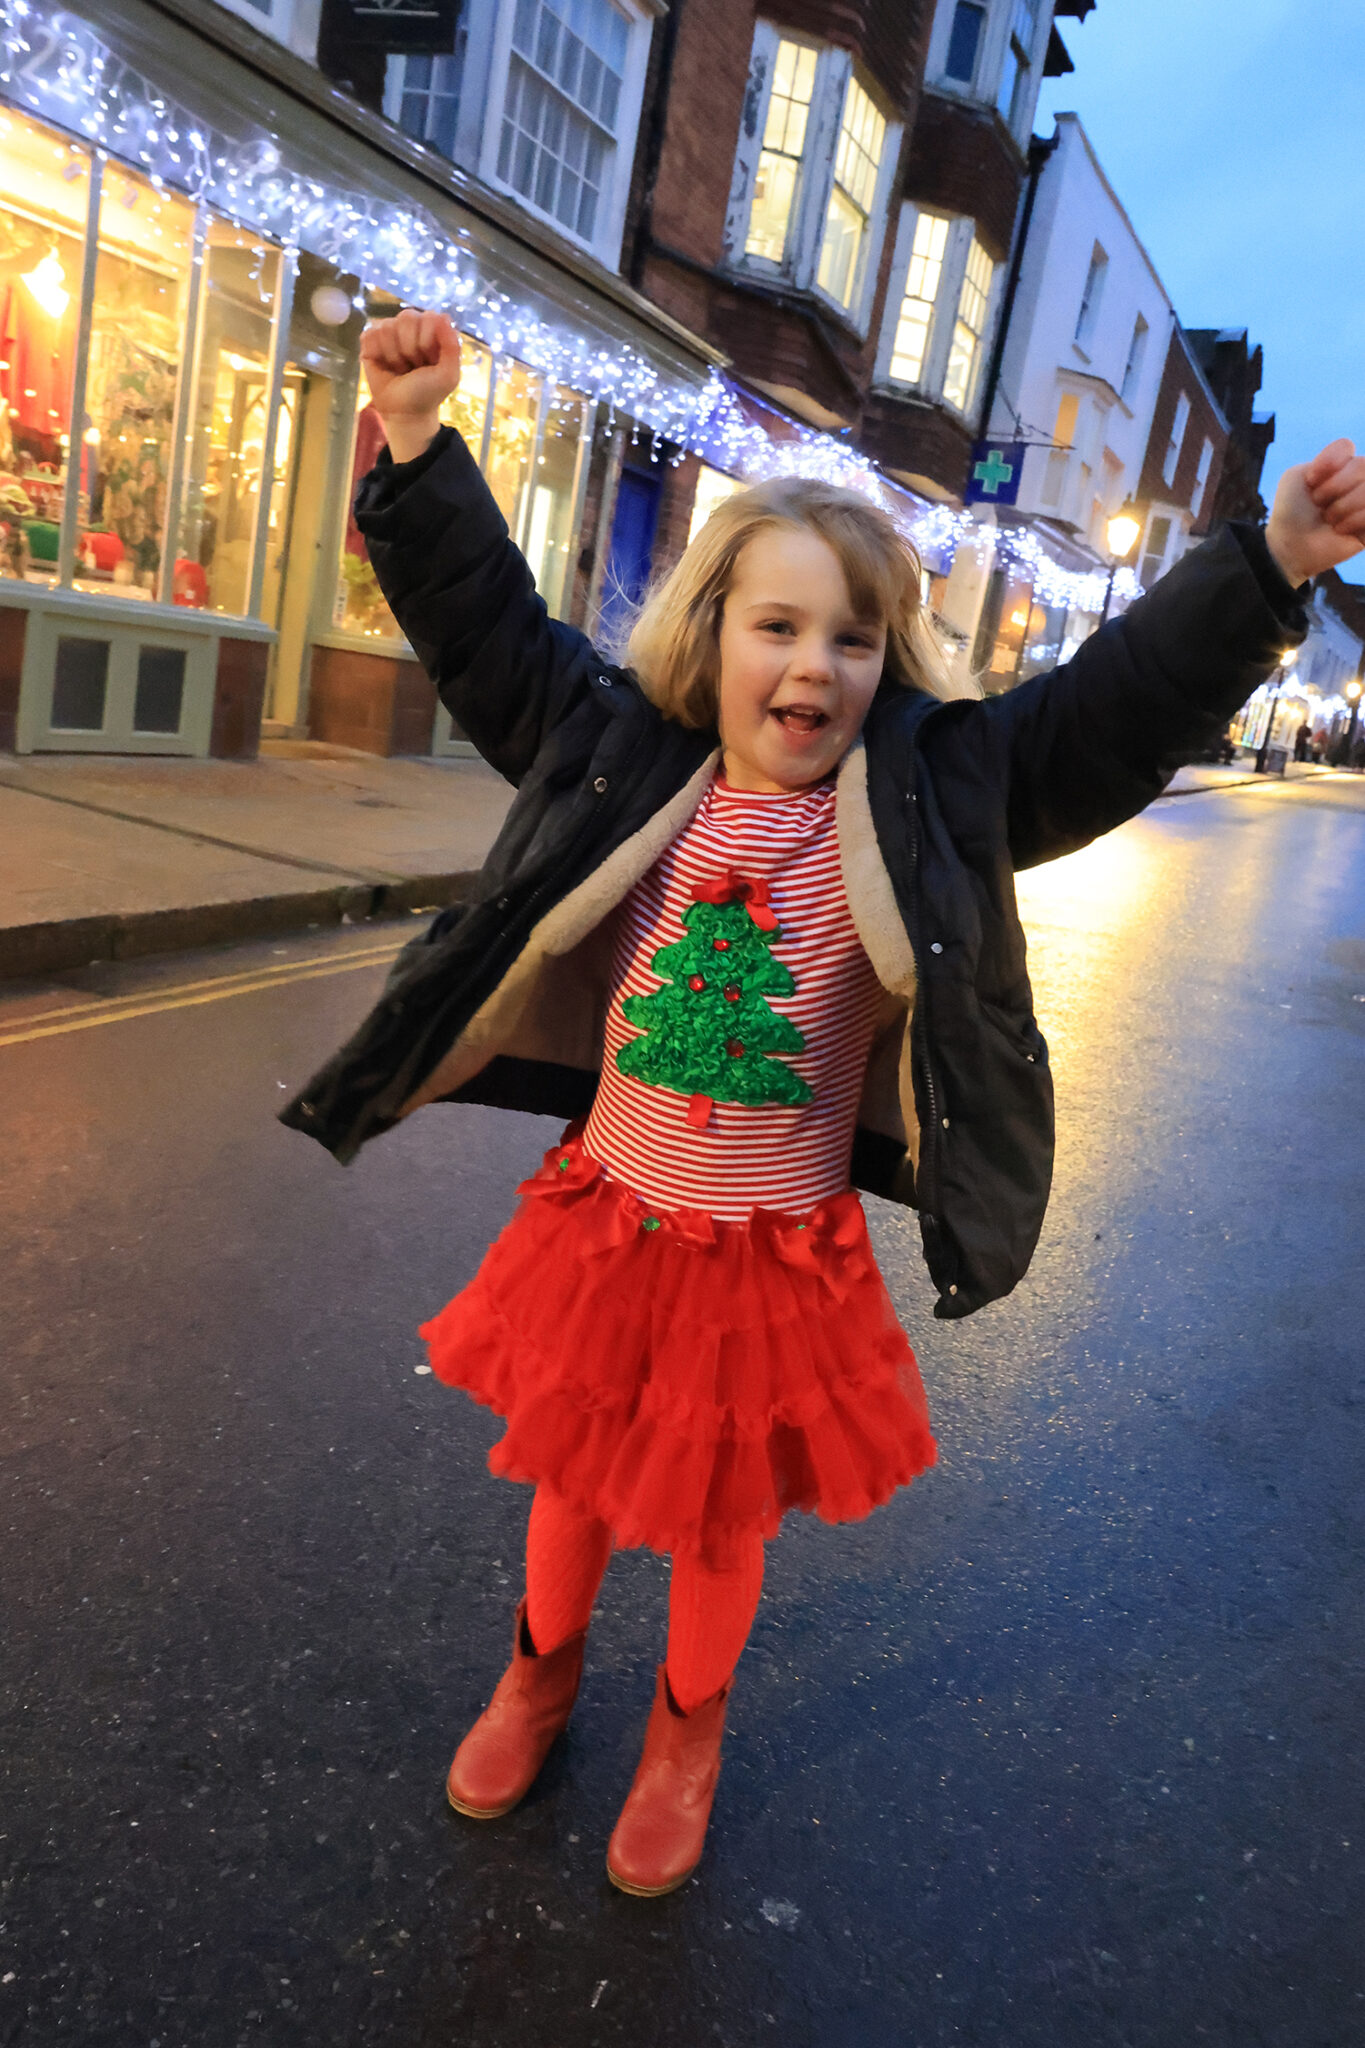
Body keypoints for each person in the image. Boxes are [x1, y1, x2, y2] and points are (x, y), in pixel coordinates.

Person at [282, 310, 1365, 1897]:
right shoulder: (617, 751)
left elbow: (1106, 711)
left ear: (886, 664)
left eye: (852, 639)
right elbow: (488, 632)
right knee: (576, 1480)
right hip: (616, 1220)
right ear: (711, 634)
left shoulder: (932, 792)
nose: (812, 665)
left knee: (721, 1522)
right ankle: (535, 1677)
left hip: (765, 1254)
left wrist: (1264, 565)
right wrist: (417, 446)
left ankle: (684, 1733)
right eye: (777, 627)